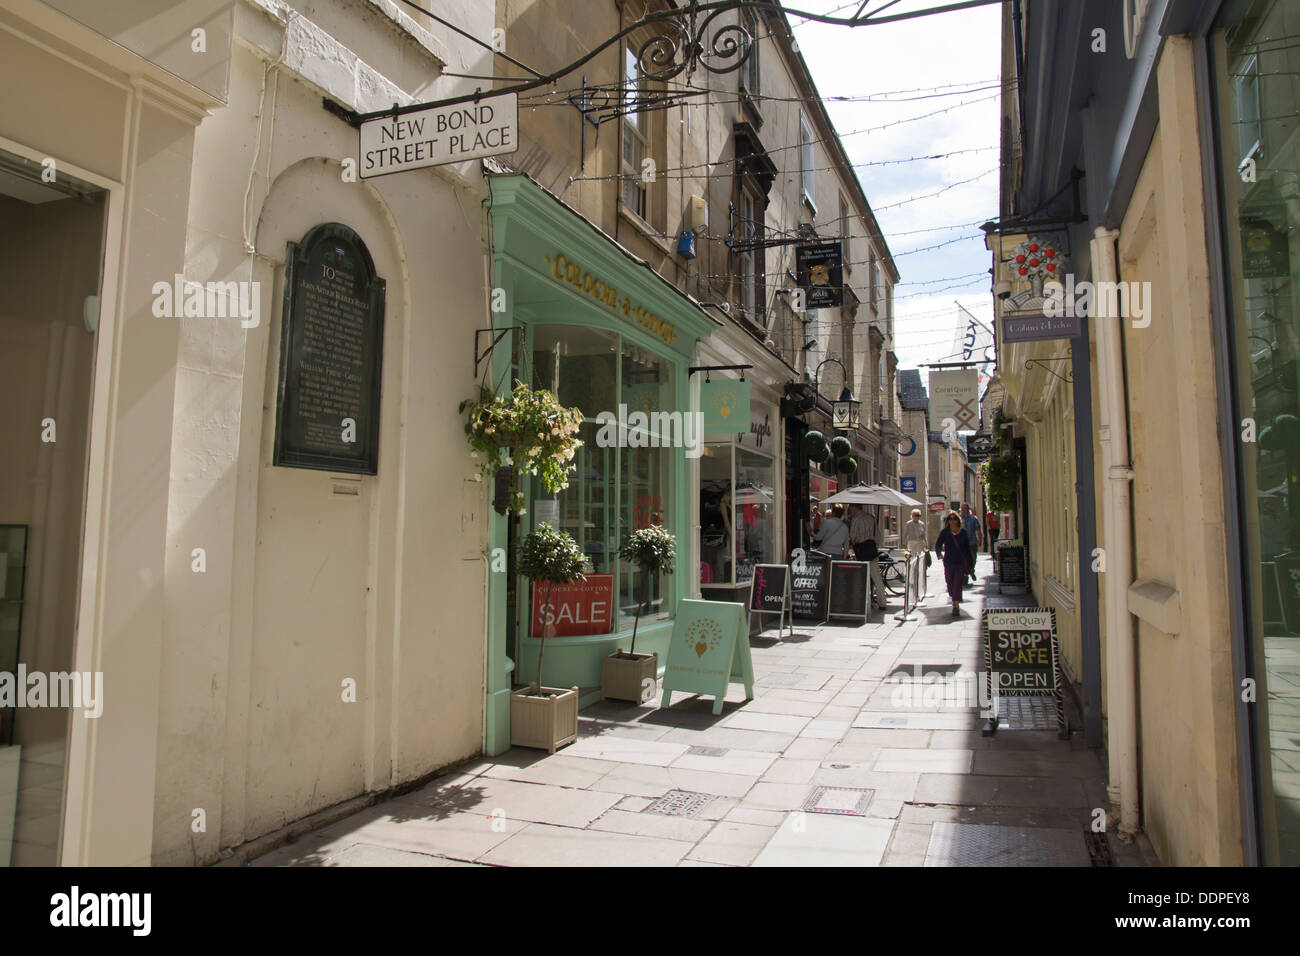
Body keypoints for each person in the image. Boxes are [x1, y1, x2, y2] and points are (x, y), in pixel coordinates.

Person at [935, 510, 974, 616]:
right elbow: (938, 544)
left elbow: (967, 549)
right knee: (949, 581)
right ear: (948, 521)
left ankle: (956, 605)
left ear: (958, 520)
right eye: (950, 519)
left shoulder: (963, 532)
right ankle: (954, 597)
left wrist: (970, 564)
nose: (952, 521)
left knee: (957, 582)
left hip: (960, 562)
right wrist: (939, 554)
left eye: (954, 519)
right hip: (948, 561)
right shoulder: (945, 532)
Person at [848, 503, 885, 609]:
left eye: (850, 508)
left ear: (855, 508)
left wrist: (851, 545)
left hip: (861, 549)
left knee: (862, 577)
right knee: (876, 577)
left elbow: (853, 536)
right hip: (871, 548)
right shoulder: (871, 518)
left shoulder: (856, 519)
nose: (849, 510)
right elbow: (878, 535)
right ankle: (882, 602)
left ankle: (864, 603)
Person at [904, 508, 928, 604]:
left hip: (920, 544)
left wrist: (926, 543)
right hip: (912, 543)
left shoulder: (922, 524)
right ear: (912, 516)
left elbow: (924, 534)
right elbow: (905, 534)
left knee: (920, 560)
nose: (917, 517)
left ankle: (919, 576)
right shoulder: (909, 524)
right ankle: (912, 576)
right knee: (913, 560)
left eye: (918, 515)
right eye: (915, 515)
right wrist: (904, 544)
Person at [960, 503, 982, 583]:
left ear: (968, 509)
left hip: (972, 542)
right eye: (962, 509)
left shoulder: (974, 518)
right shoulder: (958, 519)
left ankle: (971, 570)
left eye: (965, 508)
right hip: (961, 543)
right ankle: (965, 575)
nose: (963, 510)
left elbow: (978, 529)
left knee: (973, 559)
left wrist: (980, 539)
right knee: (963, 560)